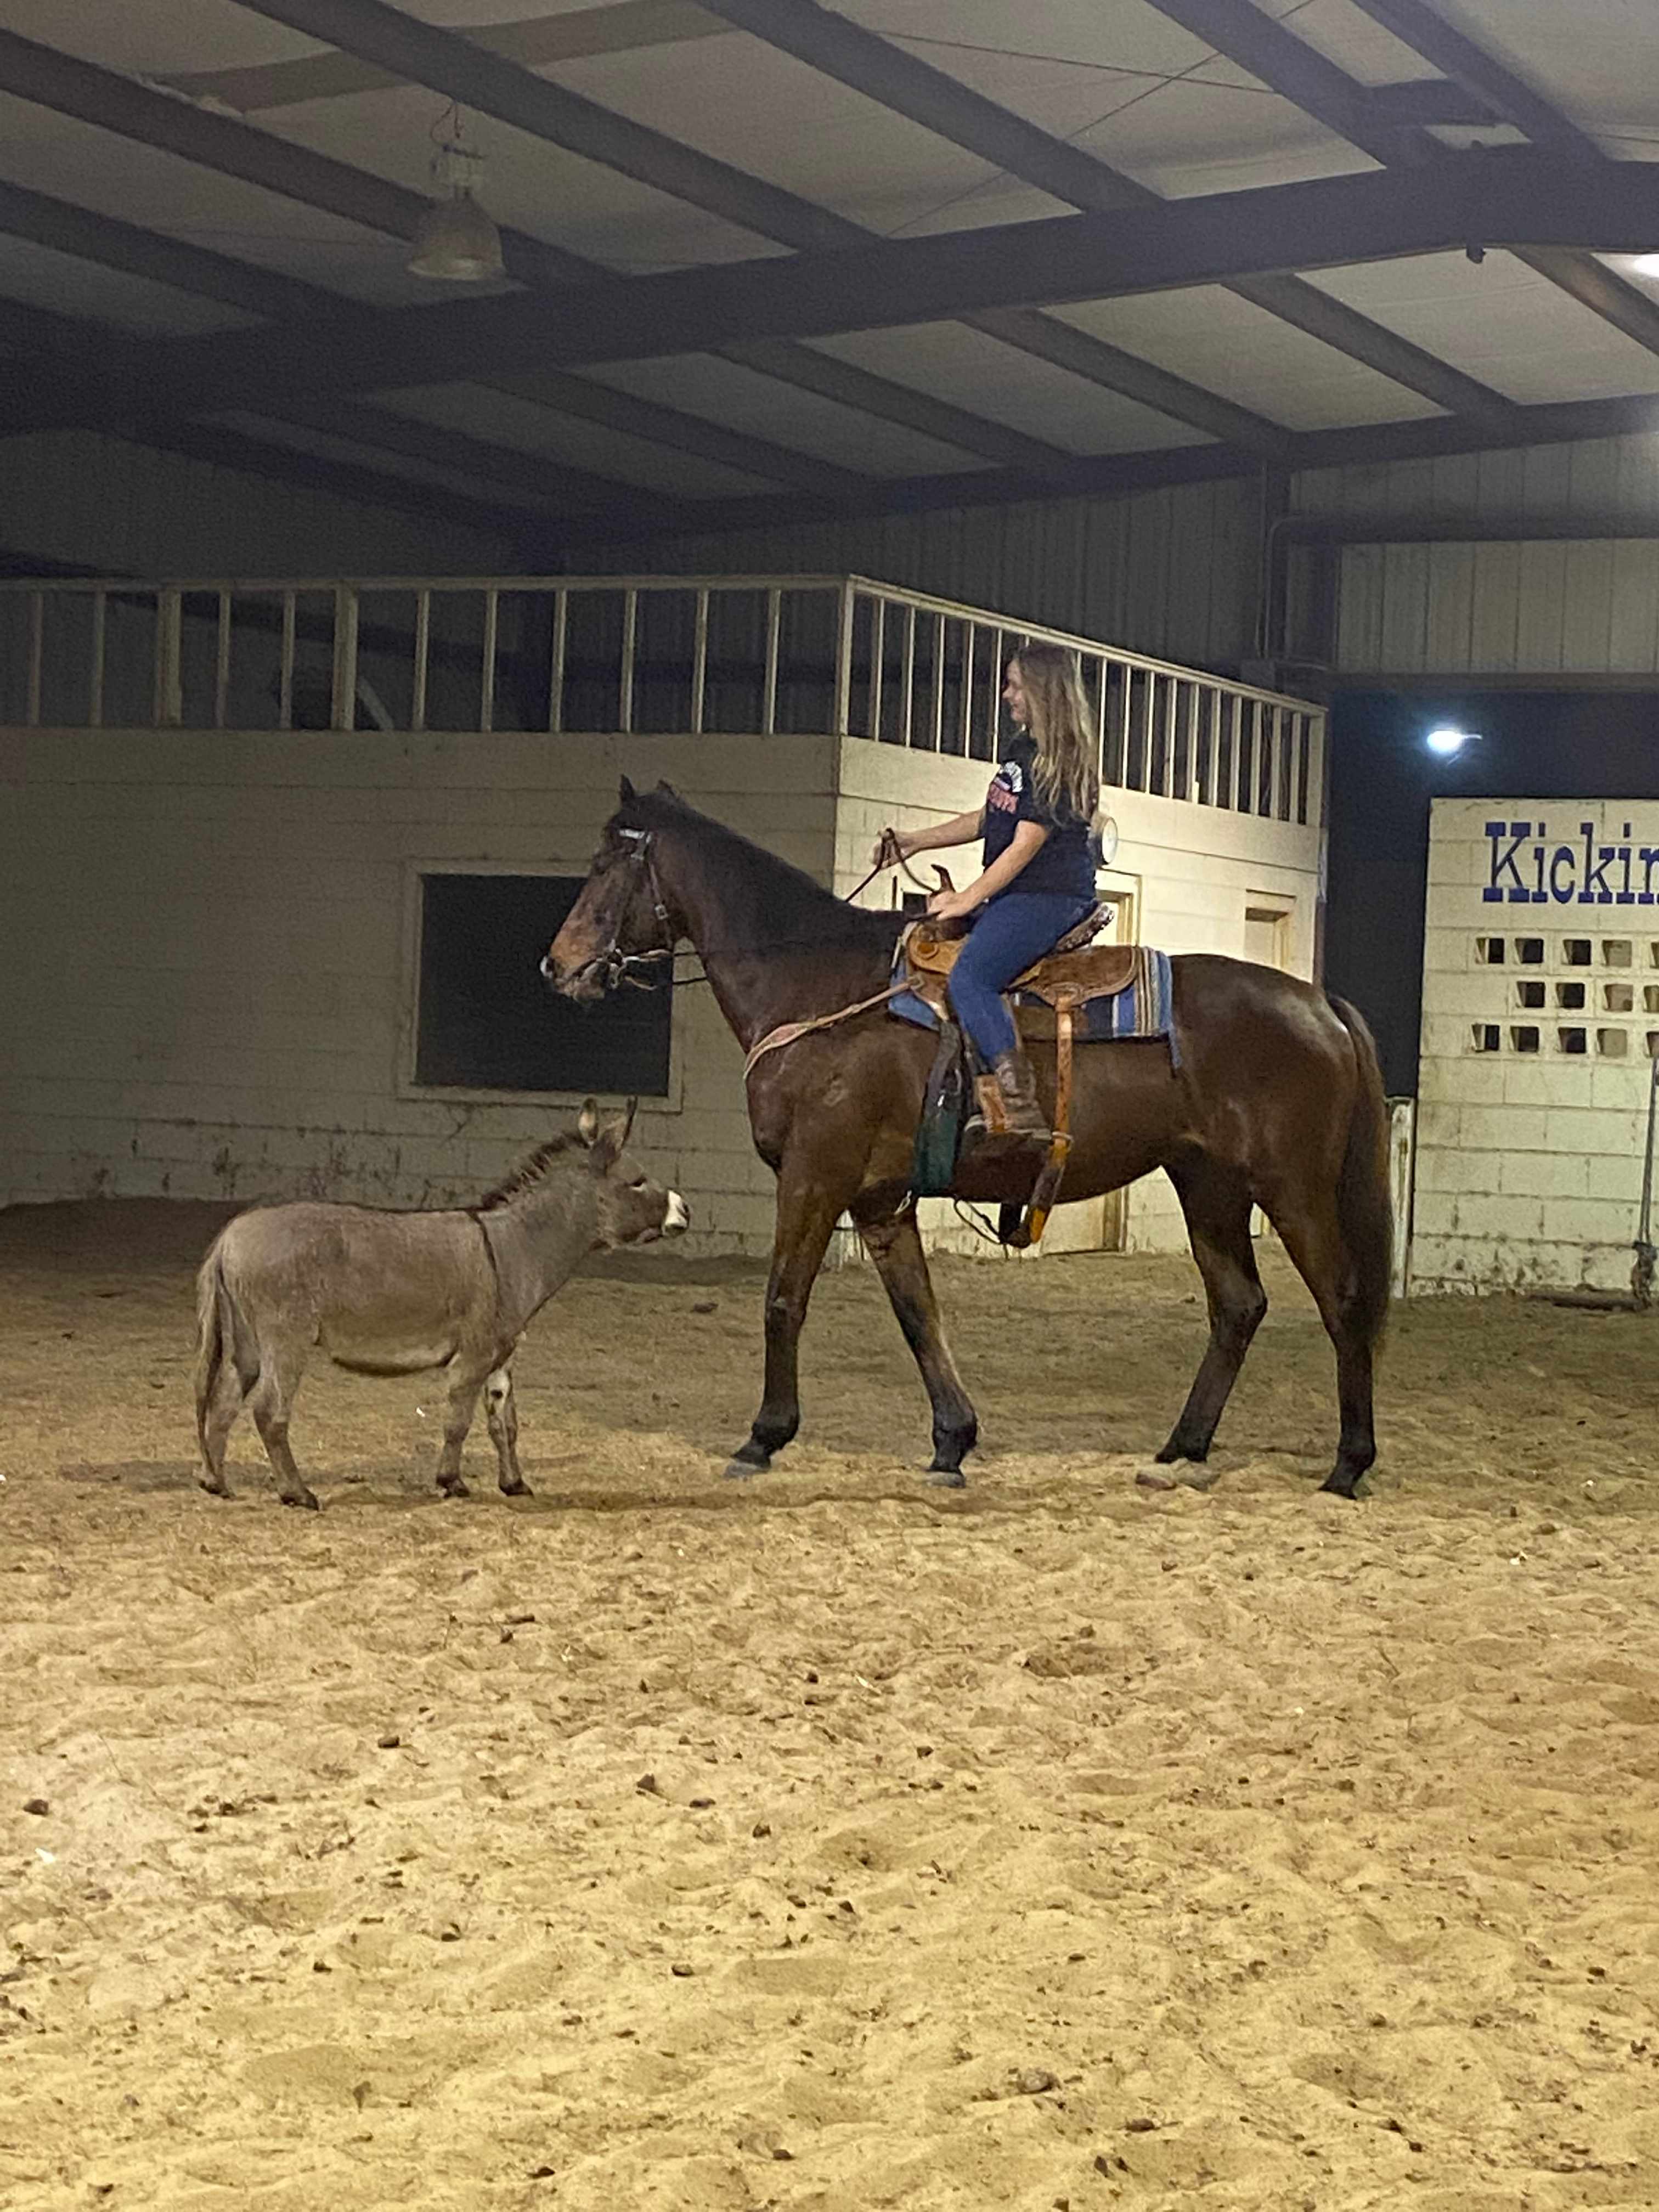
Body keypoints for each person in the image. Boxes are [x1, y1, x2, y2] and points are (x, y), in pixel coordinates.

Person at [874, 642, 1100, 1148]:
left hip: (1049, 896)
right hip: (1017, 893)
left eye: (1015, 685)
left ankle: (1019, 1106)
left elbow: (1025, 844)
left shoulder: (1058, 763)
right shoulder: (1021, 750)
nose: (1006, 695)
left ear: (1042, 691)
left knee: (972, 977)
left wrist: (967, 898)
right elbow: (988, 818)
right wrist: (914, 841)